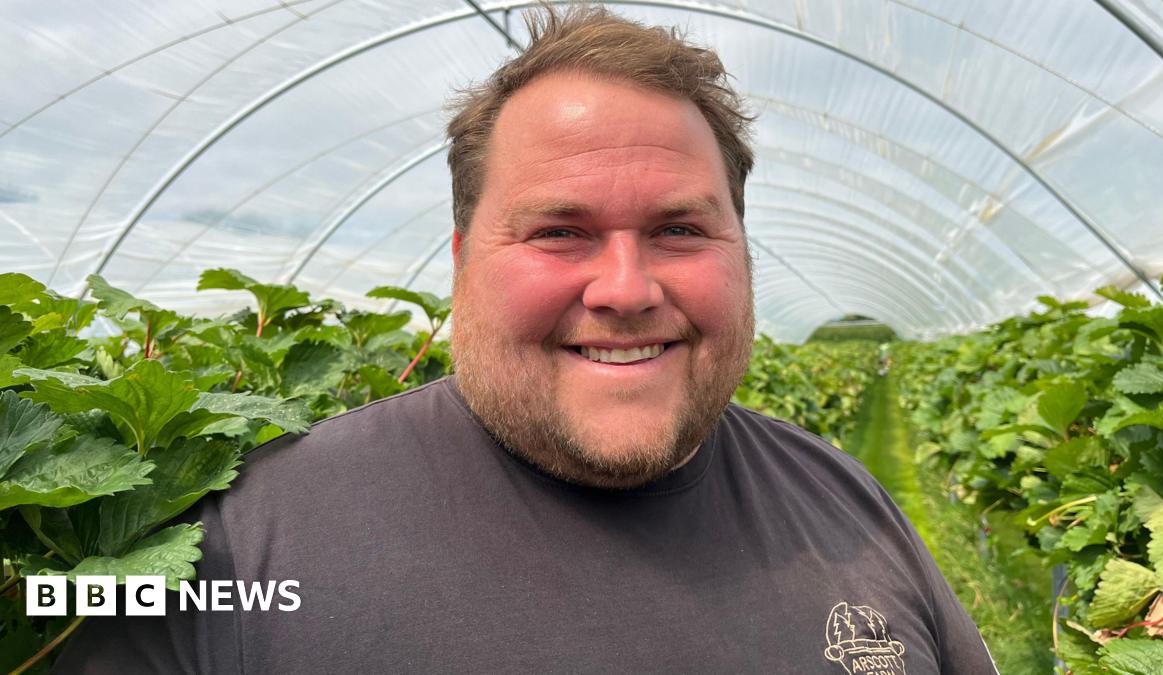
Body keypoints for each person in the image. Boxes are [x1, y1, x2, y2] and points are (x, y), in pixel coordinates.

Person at [57, 5, 996, 673]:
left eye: (679, 228)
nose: (625, 289)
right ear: (463, 259)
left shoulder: (850, 505)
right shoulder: (232, 552)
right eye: (559, 231)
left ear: (742, 251)